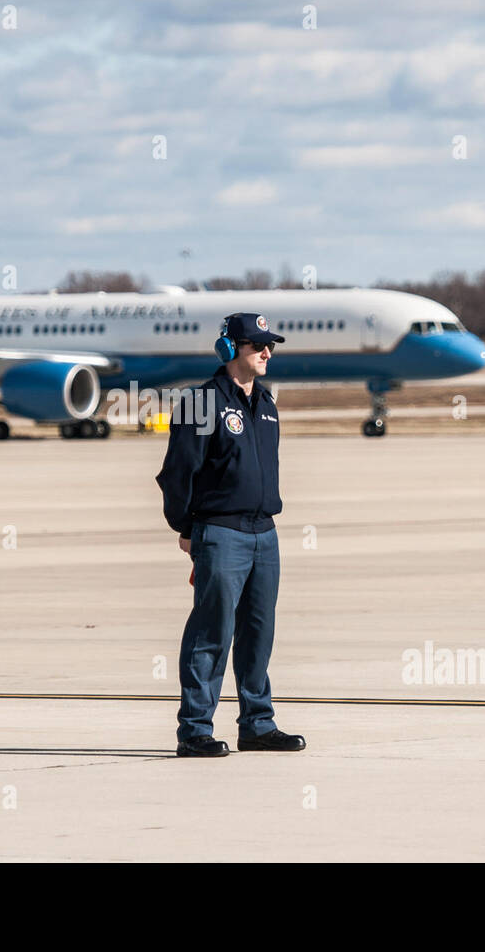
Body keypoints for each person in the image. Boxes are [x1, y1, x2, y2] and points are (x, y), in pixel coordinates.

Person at [155, 312, 307, 758]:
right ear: (229, 349)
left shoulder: (266, 403)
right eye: (257, 345)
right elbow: (177, 473)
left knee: (259, 631)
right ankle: (195, 730)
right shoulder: (202, 403)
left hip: (265, 533)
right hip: (220, 532)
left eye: (270, 346)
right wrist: (186, 528)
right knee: (211, 631)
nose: (267, 352)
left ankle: (258, 723)